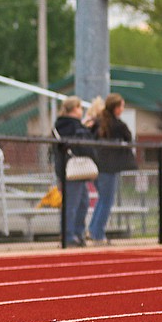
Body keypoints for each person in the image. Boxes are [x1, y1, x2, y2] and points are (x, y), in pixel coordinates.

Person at [88, 93, 136, 245]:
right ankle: (98, 233)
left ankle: (94, 229)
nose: (122, 109)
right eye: (121, 106)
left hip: (97, 167)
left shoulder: (98, 122)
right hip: (108, 168)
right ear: (115, 108)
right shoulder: (116, 125)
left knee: (102, 199)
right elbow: (129, 137)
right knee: (106, 201)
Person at [53, 96, 97, 247]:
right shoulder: (67, 125)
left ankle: (78, 233)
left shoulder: (77, 126)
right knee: (71, 205)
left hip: (76, 169)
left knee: (83, 203)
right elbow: (81, 144)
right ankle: (68, 236)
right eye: (79, 108)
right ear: (73, 109)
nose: (81, 111)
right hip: (70, 168)